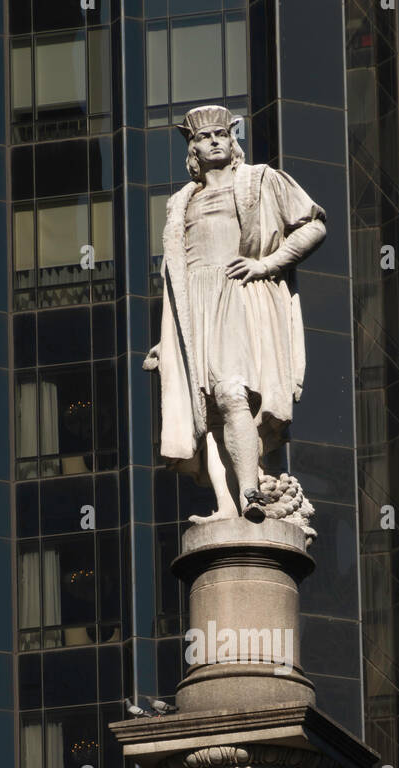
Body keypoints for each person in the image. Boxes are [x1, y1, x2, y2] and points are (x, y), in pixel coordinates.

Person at [144, 105, 326, 521]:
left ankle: (250, 492)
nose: (213, 141)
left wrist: (267, 264)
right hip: (194, 307)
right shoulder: (180, 202)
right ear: (192, 150)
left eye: (221, 135)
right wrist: (169, 338)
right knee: (202, 411)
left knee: (232, 393)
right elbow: (178, 273)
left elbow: (314, 225)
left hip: (239, 295)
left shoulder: (261, 180)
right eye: (204, 137)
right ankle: (226, 506)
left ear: (231, 141)